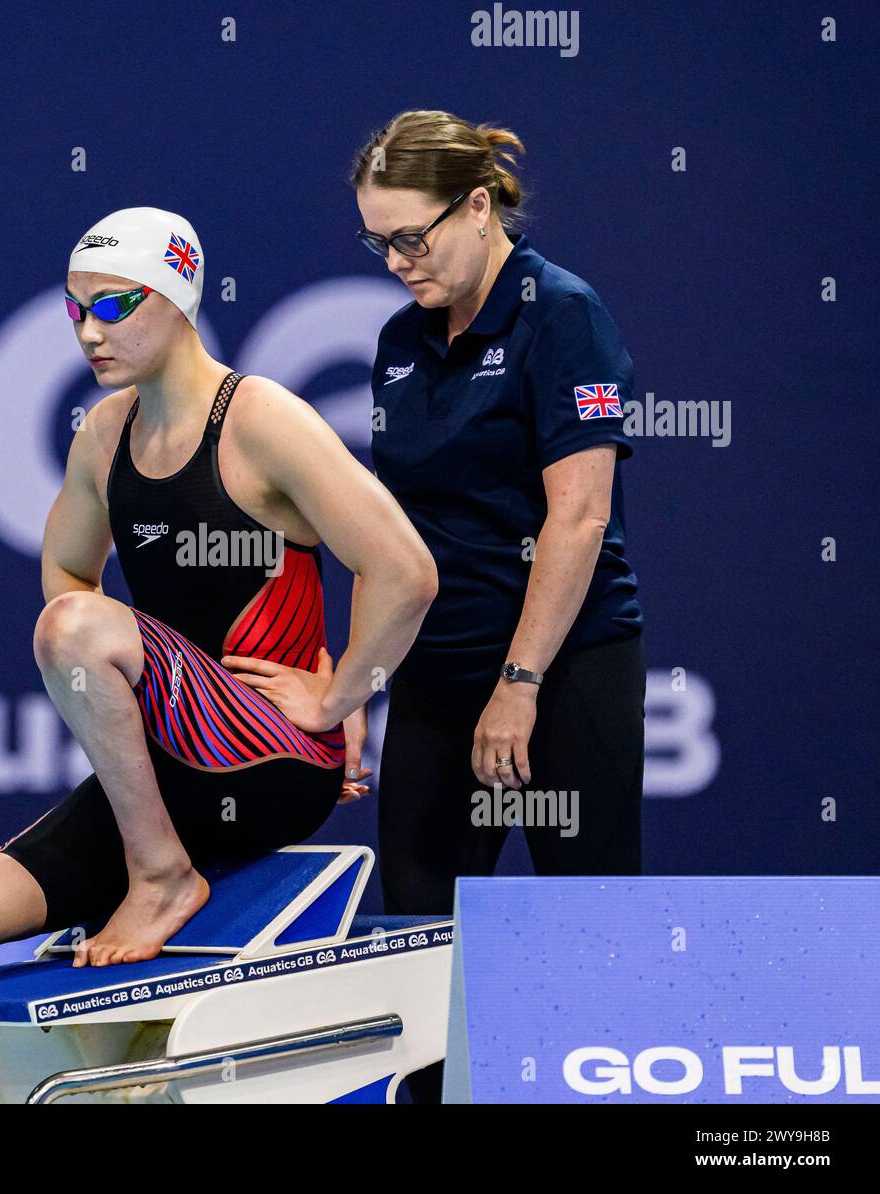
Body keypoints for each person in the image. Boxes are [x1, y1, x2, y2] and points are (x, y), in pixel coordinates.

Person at [0, 206, 436, 992]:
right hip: (173, 769)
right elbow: (68, 572)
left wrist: (342, 696)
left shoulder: (261, 420)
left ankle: (162, 876)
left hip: (272, 753)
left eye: (111, 306)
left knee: (71, 629)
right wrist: (138, 700)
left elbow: (406, 571)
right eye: (76, 309)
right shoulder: (105, 434)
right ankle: (156, 855)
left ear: (178, 299)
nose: (87, 333)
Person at [345, 111, 646, 1098]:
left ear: (476, 207)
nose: (393, 262)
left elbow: (580, 515)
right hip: (434, 685)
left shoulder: (563, 315)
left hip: (562, 676)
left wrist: (518, 683)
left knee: (587, 929)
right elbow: (379, 537)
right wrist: (354, 689)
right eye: (375, 241)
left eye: (409, 238)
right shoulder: (397, 342)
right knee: (419, 945)